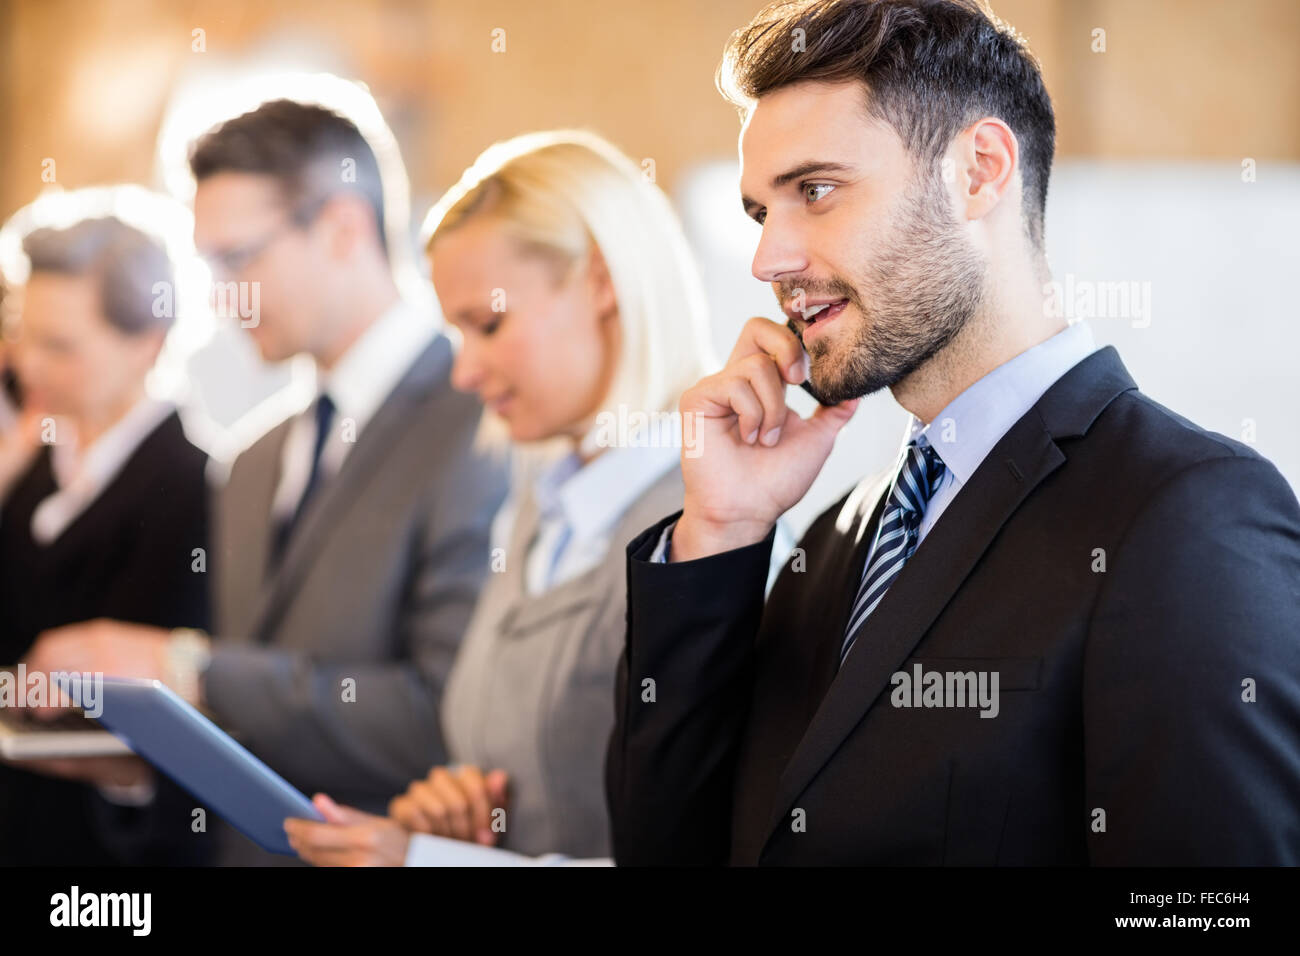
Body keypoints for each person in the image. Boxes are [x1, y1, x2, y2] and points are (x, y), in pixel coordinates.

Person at [606, 0, 1300, 865]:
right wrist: (723, 536)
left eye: (814, 191)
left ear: (978, 171)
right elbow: (671, 850)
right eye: (759, 213)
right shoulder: (832, 538)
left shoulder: (1187, 515)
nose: (769, 259)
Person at [22, 99, 510, 865]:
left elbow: (446, 713)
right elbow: (251, 735)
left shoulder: (484, 419)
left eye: (238, 260)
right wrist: (134, 756)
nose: (220, 300)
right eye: (208, 267)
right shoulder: (252, 460)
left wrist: (189, 668)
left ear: (344, 229)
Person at [282, 129, 726, 865]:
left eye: (488, 325)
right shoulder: (534, 514)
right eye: (457, 333)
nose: (465, 373)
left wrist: (422, 861)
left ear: (602, 282)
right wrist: (458, 813)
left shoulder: (711, 527)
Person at [0, 212, 211, 865]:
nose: (29, 364)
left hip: (104, 856)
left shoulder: (198, 491)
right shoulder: (28, 466)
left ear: (147, 341)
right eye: (21, 336)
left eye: (60, 346)